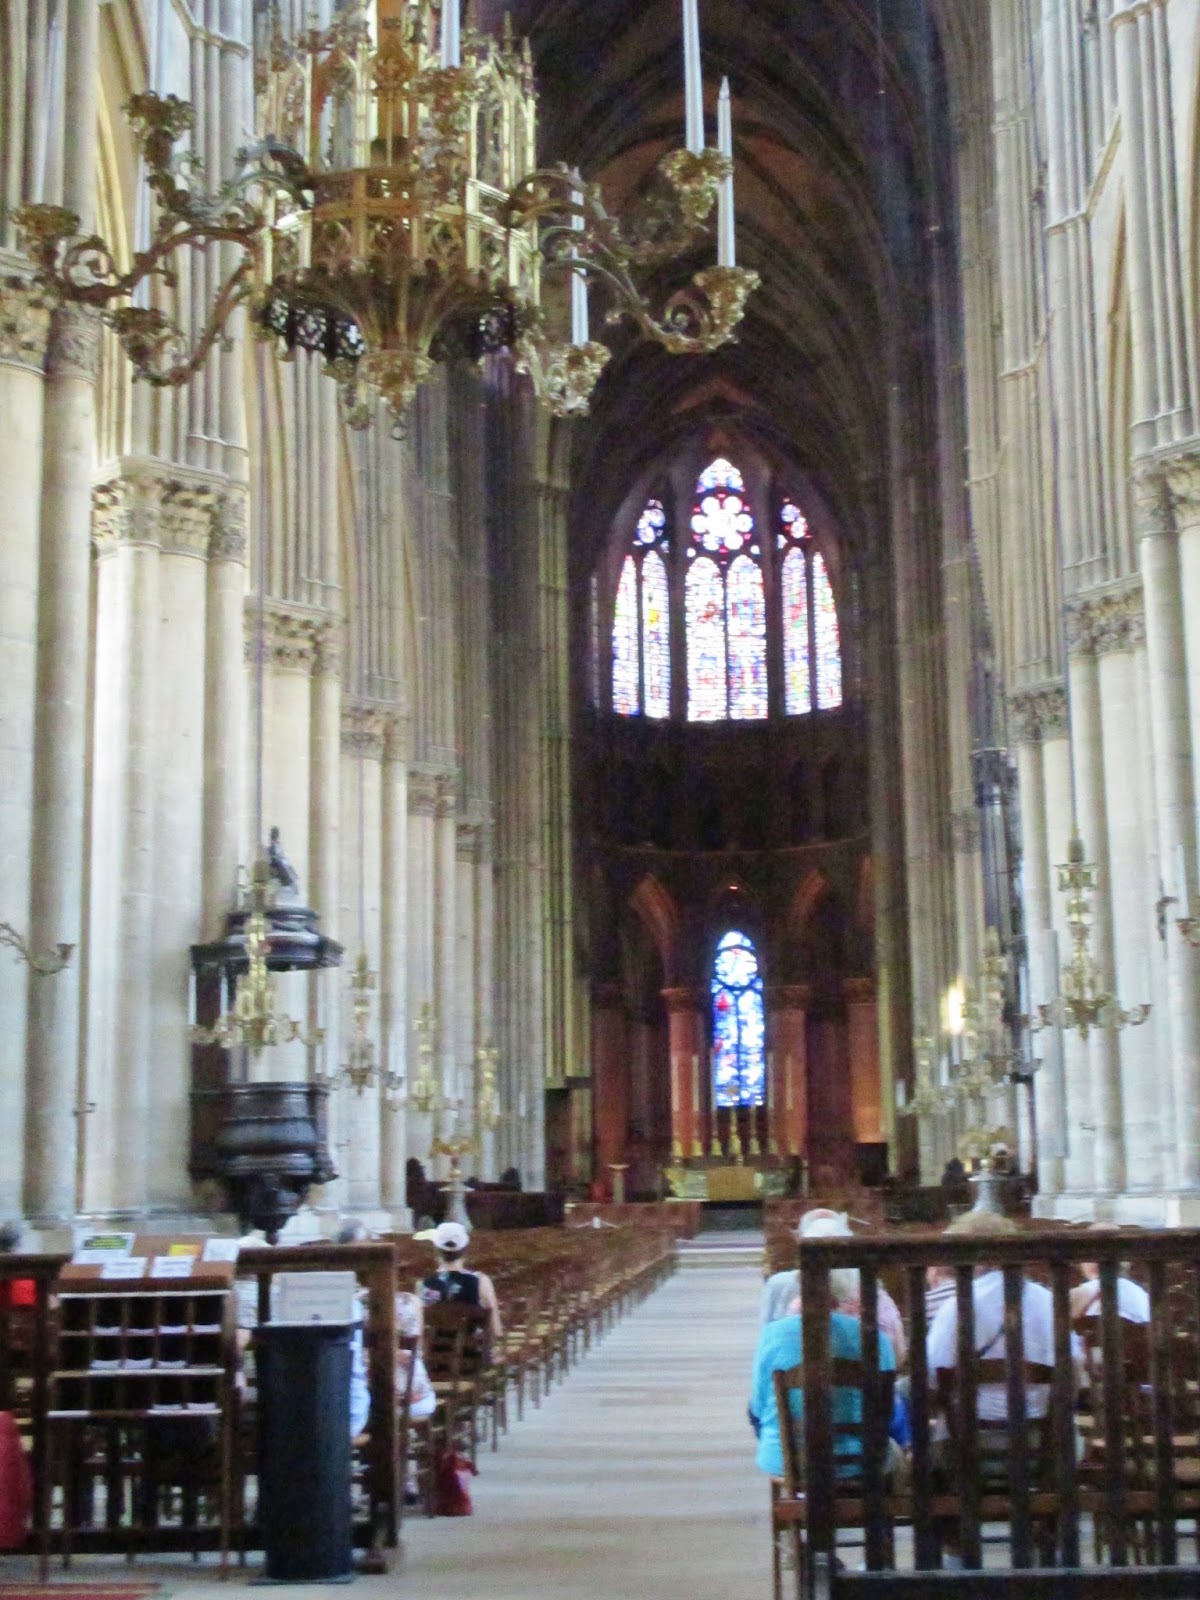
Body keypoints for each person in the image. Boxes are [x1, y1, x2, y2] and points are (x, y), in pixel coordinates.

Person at [749, 1261, 898, 1480]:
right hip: (862, 1460)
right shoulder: (875, 1338)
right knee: (895, 1450)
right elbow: (886, 1409)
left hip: (787, 1461)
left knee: (756, 1412)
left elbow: (759, 1406)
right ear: (847, 1293)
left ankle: (783, 1460)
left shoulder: (773, 1334)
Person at [760, 1210, 908, 1366]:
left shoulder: (795, 1312)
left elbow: (772, 1362)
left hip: (805, 1388)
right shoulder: (877, 1301)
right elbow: (898, 1356)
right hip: (872, 1387)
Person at [419, 1221, 503, 1341]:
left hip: (436, 1357)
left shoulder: (423, 1285)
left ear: (437, 1250)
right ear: (465, 1249)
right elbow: (496, 1330)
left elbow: (420, 1332)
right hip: (473, 1356)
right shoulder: (481, 1282)